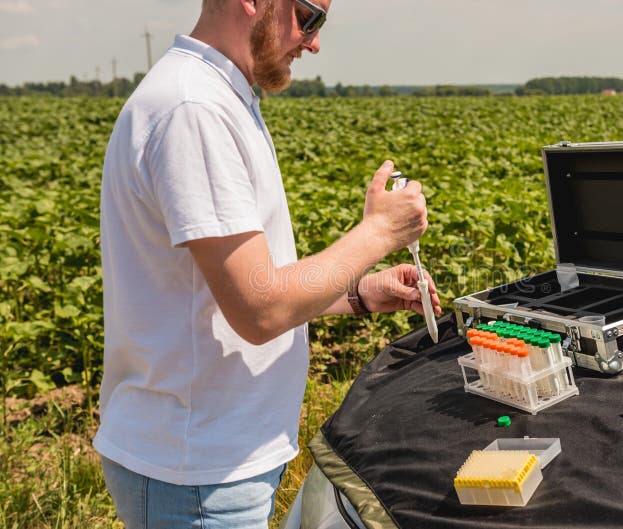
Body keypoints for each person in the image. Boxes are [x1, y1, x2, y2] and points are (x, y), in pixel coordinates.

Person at [93, 0, 441, 527]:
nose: (315, 41)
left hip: (216, 459)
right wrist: (380, 232)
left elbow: (234, 294)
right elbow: (259, 309)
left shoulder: (221, 97)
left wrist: (358, 293)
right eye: (310, 16)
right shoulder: (195, 110)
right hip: (199, 474)